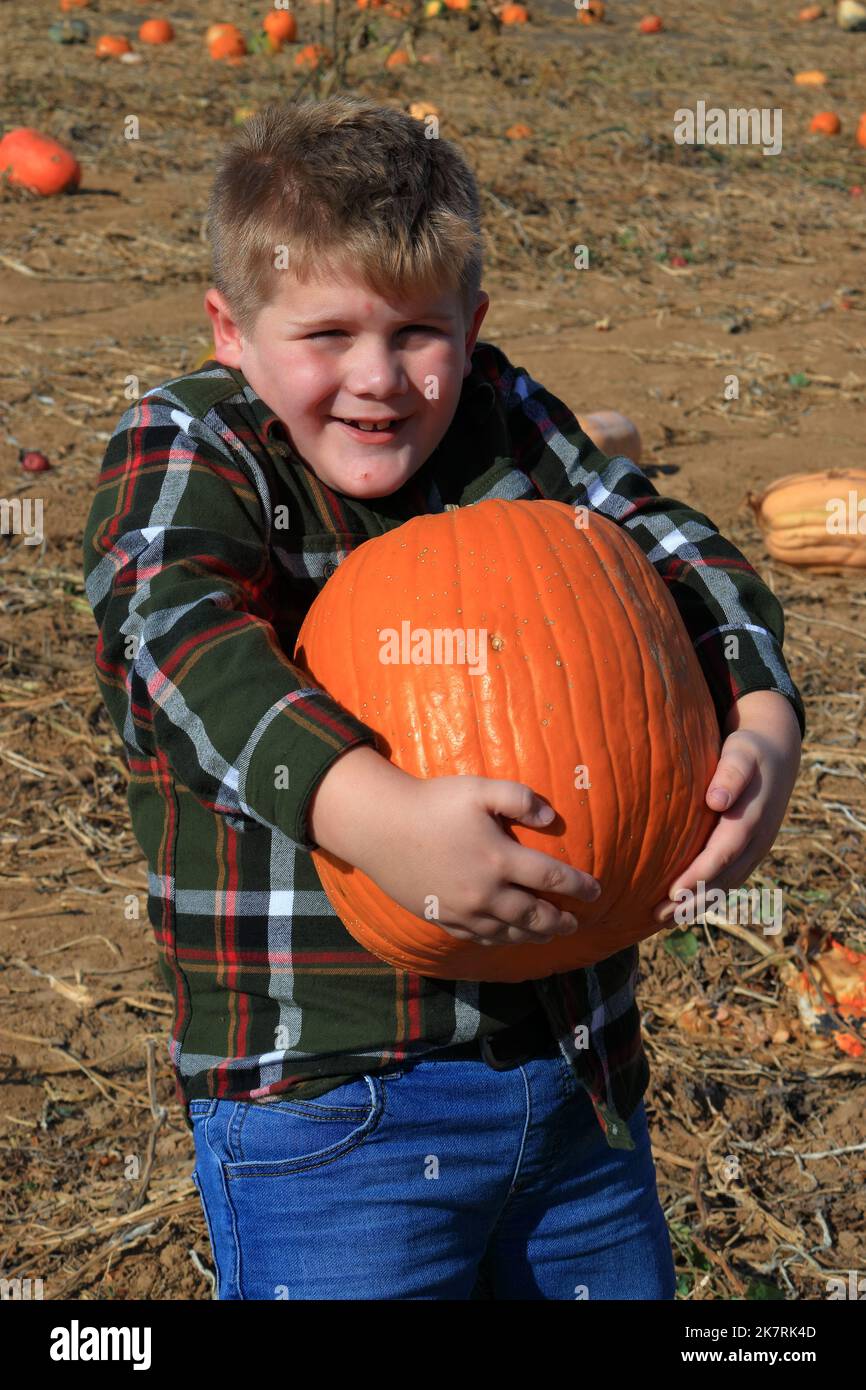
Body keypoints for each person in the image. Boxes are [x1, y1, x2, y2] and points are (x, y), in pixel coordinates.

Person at [81, 95, 804, 1300]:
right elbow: (170, 634)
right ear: (232, 329)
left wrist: (762, 714)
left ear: (472, 325)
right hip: (327, 1106)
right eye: (325, 334)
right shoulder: (196, 444)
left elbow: (678, 551)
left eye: (418, 331)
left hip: (574, 1077)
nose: (377, 379)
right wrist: (366, 811)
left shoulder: (499, 420)